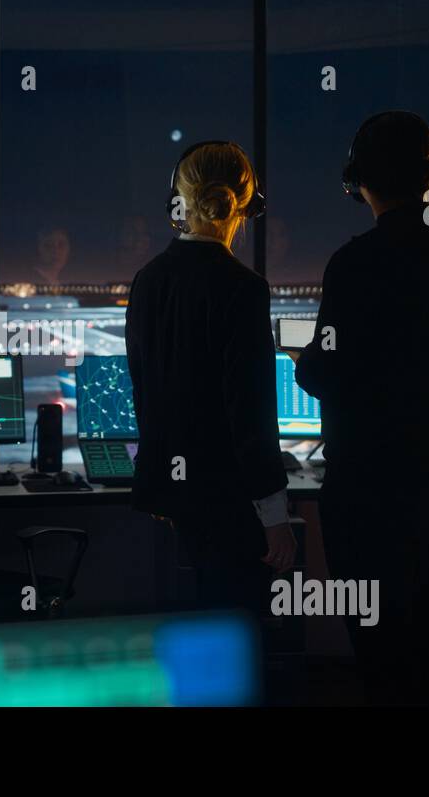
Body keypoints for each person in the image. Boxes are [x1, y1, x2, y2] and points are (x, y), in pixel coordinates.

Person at [294, 111, 429, 704]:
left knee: (375, 636)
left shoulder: (353, 263)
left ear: (359, 182)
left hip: (363, 482)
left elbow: (327, 372)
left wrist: (304, 361)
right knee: (426, 620)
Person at [126, 141, 295, 616]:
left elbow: (146, 390)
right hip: (231, 502)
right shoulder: (242, 288)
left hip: (176, 498)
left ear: (177, 199)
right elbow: (252, 412)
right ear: (245, 204)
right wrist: (276, 517)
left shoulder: (147, 280)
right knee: (239, 638)